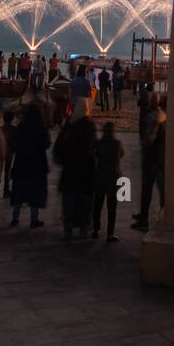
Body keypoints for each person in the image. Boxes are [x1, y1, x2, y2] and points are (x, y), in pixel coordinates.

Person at [55, 98, 97, 239]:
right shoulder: (89, 125)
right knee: (84, 203)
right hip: (85, 171)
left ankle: (68, 230)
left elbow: (60, 146)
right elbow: (93, 146)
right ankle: (83, 229)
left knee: (69, 203)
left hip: (70, 171)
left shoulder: (69, 125)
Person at [9, 103, 50, 227]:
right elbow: (46, 144)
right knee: (34, 193)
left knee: (19, 192)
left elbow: (13, 144)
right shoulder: (41, 128)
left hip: (21, 163)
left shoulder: (21, 127)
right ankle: (34, 219)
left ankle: (15, 217)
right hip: (37, 165)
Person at [133, 92, 167, 231]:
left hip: (151, 158)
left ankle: (144, 220)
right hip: (161, 156)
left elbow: (149, 139)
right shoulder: (164, 115)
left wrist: (145, 143)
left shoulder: (155, 117)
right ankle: (163, 217)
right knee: (162, 189)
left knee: (147, 189)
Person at [92, 121, 124, 241]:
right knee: (112, 207)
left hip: (100, 176)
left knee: (98, 205)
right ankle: (110, 233)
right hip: (113, 177)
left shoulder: (98, 143)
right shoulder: (117, 144)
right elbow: (121, 155)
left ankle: (96, 229)